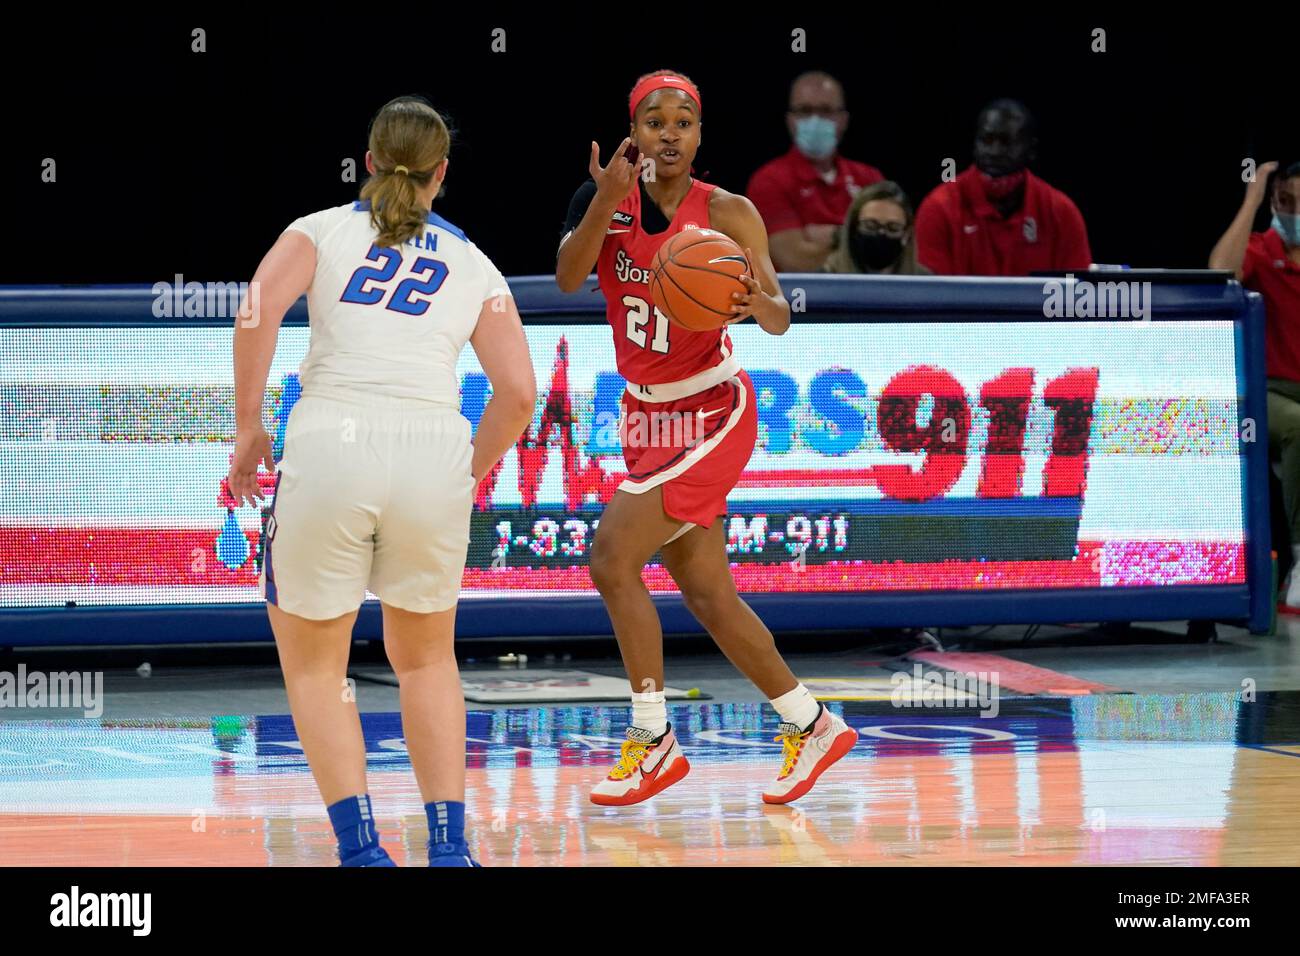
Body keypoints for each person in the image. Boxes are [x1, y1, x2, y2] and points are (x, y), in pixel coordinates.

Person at [227, 95, 536, 866]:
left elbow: (255, 310)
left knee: (315, 667)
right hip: (433, 449)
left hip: (333, 441)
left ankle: (363, 850)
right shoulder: (475, 262)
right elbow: (520, 396)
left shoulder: (319, 229)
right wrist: (468, 470)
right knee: (429, 660)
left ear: (367, 161)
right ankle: (449, 848)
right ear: (442, 176)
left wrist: (247, 427)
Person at [555, 70, 859, 807]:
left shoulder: (729, 211)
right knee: (706, 591)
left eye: (683, 121)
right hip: (643, 415)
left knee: (610, 557)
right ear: (633, 129)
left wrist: (751, 298)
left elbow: (781, 316)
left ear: (699, 134)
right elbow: (567, 279)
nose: (669, 132)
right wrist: (602, 198)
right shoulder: (603, 202)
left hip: (711, 411)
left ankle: (653, 738)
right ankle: (809, 721)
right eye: (654, 119)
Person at [1210, 160, 1300, 608]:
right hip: (1270, 393)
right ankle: (1299, 562)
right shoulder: (1263, 249)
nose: (1295, 212)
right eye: (1286, 202)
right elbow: (1220, 273)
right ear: (1273, 203)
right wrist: (1251, 199)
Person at [914, 99, 1091, 276]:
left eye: (1006, 142)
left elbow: (1076, 295)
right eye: (986, 140)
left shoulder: (1060, 212)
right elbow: (931, 296)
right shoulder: (938, 208)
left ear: (1031, 149)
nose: (994, 151)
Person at [746, 71, 884, 272]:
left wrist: (835, 236)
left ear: (843, 120)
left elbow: (888, 254)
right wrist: (857, 237)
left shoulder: (869, 178)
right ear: (790, 120)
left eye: (826, 110)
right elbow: (795, 260)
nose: (815, 119)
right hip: (800, 301)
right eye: (805, 110)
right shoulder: (768, 180)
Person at [824, 180, 931, 275]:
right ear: (853, 227)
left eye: (893, 228)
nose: (881, 233)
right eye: (870, 225)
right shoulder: (823, 281)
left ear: (907, 234)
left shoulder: (926, 284)